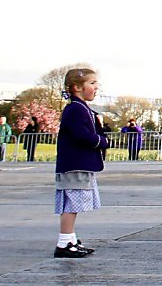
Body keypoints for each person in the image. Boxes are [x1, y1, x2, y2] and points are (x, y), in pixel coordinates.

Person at [54, 67, 108, 258]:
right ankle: (64, 242)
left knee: (73, 203)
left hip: (77, 164)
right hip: (74, 165)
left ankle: (70, 239)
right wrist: (101, 141)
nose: (96, 87)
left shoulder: (81, 108)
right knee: (72, 204)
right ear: (77, 87)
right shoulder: (76, 109)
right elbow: (81, 135)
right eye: (92, 83)